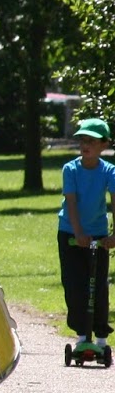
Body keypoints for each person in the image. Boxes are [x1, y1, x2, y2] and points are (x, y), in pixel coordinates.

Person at [58, 117, 115, 355]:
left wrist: (113, 235)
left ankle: (101, 337)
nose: (85, 145)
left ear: (105, 144)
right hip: (71, 233)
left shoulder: (109, 171)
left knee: (98, 286)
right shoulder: (70, 169)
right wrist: (78, 232)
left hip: (99, 234)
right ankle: (82, 335)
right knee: (75, 284)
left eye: (91, 141)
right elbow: (71, 202)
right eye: (82, 140)